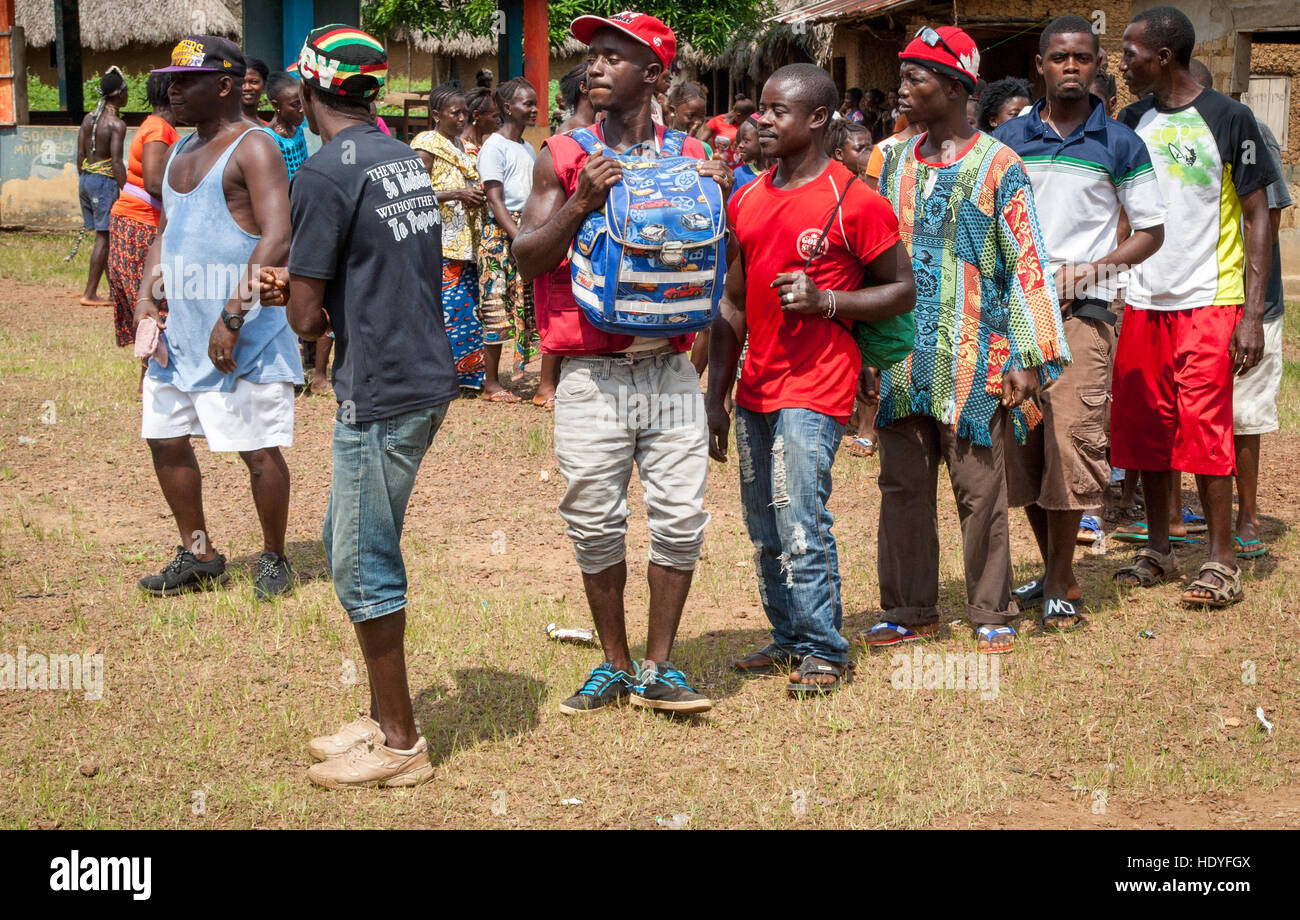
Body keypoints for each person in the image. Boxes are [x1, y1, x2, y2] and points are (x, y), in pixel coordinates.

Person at [514, 10, 732, 715]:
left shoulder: (692, 157)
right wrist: (581, 202)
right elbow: (527, 257)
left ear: (655, 75)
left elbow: (714, 267)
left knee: (678, 518)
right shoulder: (564, 154)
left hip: (669, 370)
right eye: (593, 56)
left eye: (614, 56)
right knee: (595, 520)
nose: (596, 66)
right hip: (592, 374)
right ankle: (614, 662)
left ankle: (661, 666)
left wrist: (714, 192)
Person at [263, 25, 457, 789]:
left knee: (362, 562)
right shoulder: (398, 155)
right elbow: (375, 265)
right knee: (347, 539)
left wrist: (292, 292)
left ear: (309, 90)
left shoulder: (321, 174)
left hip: (379, 388)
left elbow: (307, 321)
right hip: (419, 373)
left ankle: (401, 742)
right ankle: (380, 715)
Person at [709, 64, 913, 695]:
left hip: (817, 386)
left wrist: (828, 301)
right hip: (756, 388)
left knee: (801, 519)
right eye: (761, 110)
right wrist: (716, 394)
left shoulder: (856, 201)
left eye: (777, 111)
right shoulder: (745, 197)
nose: (760, 121)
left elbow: (902, 291)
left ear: (818, 119)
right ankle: (790, 636)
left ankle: (826, 648)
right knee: (763, 527)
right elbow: (733, 305)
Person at [867, 25, 1069, 655]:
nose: (902, 89)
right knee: (901, 486)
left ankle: (990, 608)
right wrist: (864, 351)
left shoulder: (998, 165)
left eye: (915, 77)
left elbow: (1027, 261)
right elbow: (872, 260)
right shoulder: (890, 160)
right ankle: (908, 607)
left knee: (980, 488)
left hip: (977, 357)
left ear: (955, 87)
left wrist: (1030, 358)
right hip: (902, 358)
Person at [994, 15, 1167, 630]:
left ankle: (1063, 579)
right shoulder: (1008, 140)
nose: (1072, 67)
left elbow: (1150, 231)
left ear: (1100, 66)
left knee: (1071, 441)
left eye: (1084, 59)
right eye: (1060, 57)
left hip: (1084, 314)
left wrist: (1093, 269)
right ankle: (1054, 567)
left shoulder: (1120, 143)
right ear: (1040, 63)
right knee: (1028, 448)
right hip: (1015, 317)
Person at [1110, 7, 1276, 607]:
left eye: (1130, 52)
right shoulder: (1130, 121)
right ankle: (1158, 547)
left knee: (1205, 428)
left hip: (1209, 297)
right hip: (1142, 300)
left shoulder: (1230, 119)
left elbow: (1261, 213)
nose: (1121, 63)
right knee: (1147, 429)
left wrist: (1252, 314)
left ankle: (1222, 560)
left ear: (1163, 56)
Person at [133, 35, 301, 601]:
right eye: (171, 80)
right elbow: (167, 234)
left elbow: (277, 236)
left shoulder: (256, 148)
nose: (171, 90)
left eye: (185, 81)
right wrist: (146, 295)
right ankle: (199, 552)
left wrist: (231, 317)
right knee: (164, 438)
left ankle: (274, 557)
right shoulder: (180, 150)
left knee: (257, 451)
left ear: (223, 85)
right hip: (179, 336)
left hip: (242, 331)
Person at [412, 83, 488, 394]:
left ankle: (467, 374)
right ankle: (442, 376)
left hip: (465, 242)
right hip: (441, 243)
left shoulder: (460, 145)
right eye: (454, 113)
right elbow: (413, 193)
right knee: (447, 310)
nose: (461, 118)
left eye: (464, 113)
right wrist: (457, 193)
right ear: (435, 115)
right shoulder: (427, 144)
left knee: (467, 309)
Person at [108, 71, 177, 373]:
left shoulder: (153, 125)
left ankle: (149, 370)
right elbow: (153, 181)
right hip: (143, 224)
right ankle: (149, 373)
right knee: (155, 295)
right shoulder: (160, 131)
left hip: (133, 219)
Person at [477, 76, 540, 402]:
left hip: (523, 232)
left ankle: (514, 372)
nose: (534, 109)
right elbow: (495, 200)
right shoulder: (494, 146)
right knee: (495, 305)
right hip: (501, 236)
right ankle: (491, 384)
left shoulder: (526, 147)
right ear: (507, 107)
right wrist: (518, 239)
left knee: (523, 304)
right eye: (527, 103)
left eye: (533, 103)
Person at [77, 68, 129, 307]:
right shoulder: (116, 125)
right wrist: (126, 189)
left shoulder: (89, 119)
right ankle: (89, 293)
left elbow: (79, 155)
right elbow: (117, 162)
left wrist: (87, 180)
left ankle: (113, 292)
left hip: (87, 179)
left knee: (104, 235)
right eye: (126, 91)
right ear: (118, 95)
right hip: (103, 182)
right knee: (104, 237)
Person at [266, 71, 308, 179]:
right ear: (276, 105)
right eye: (295, 105)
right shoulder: (268, 138)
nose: (302, 109)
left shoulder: (298, 130)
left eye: (302, 102)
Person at [705, 96, 756, 165]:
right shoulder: (715, 122)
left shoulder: (742, 126)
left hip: (739, 168)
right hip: (719, 168)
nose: (746, 123)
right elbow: (700, 143)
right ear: (738, 115)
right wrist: (707, 159)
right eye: (745, 120)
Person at [461, 87, 498, 155]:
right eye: (495, 116)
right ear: (476, 115)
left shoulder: (479, 145)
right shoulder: (463, 149)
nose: (498, 120)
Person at [241, 57, 269, 123]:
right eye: (241, 82)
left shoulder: (266, 128)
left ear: (264, 84)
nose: (247, 88)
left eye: (254, 82)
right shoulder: (222, 126)